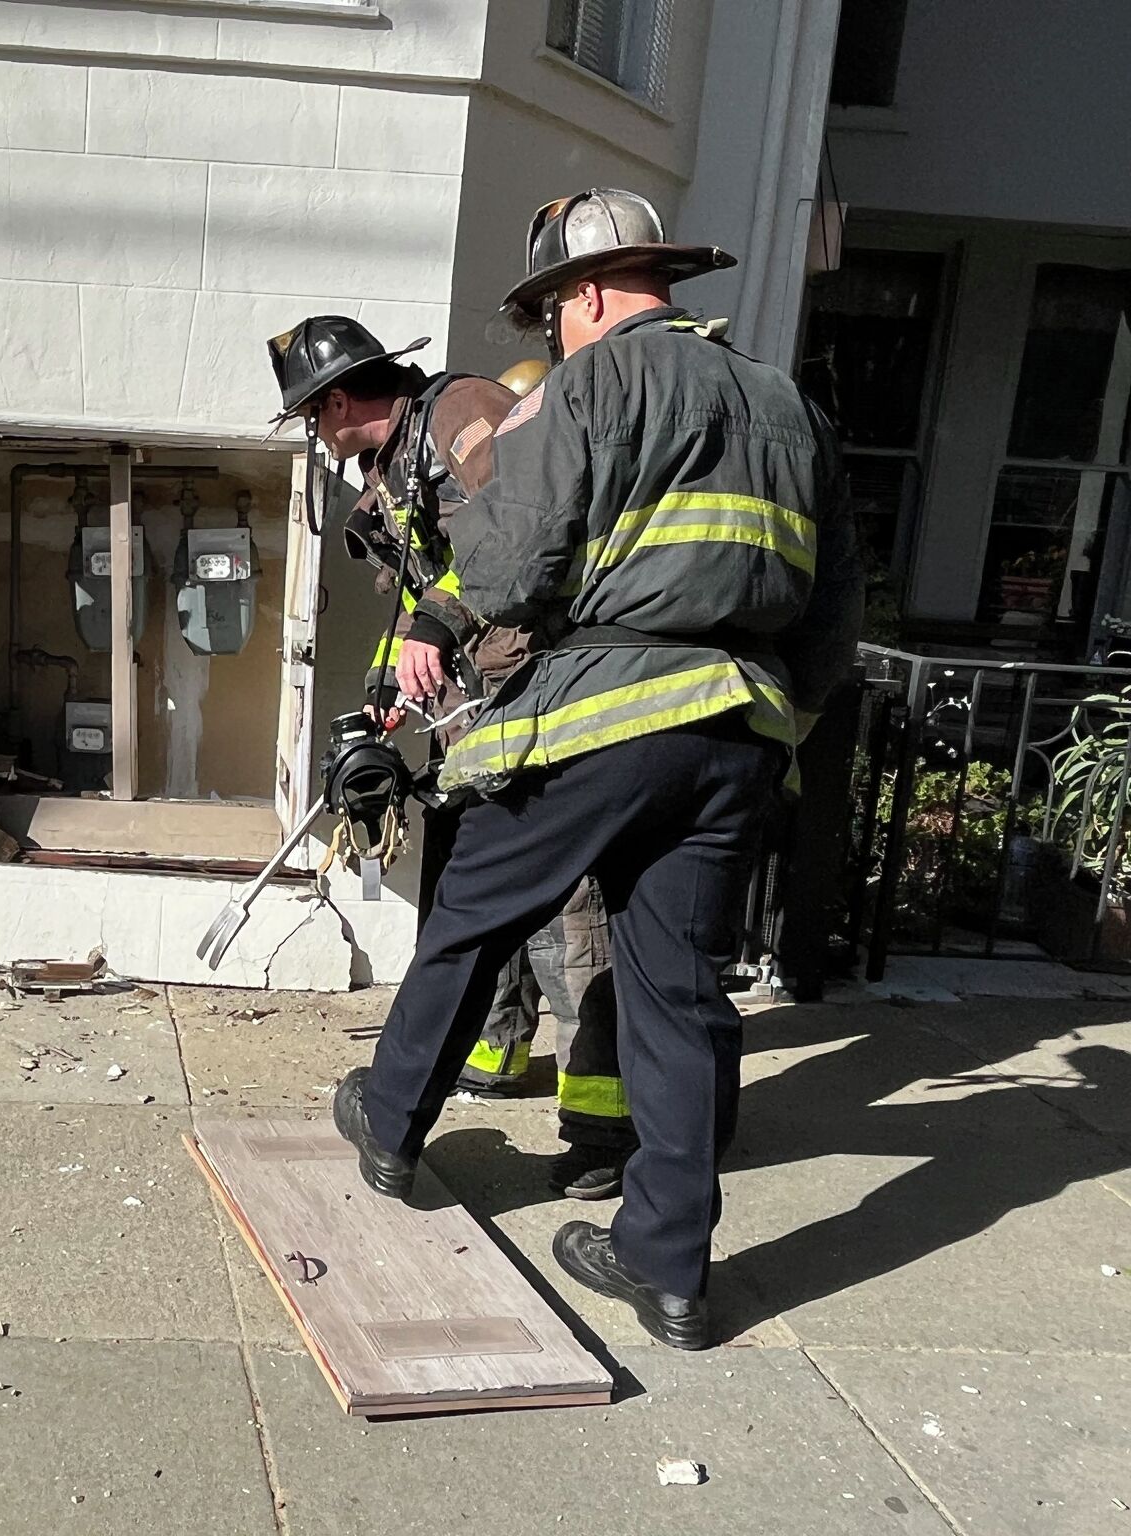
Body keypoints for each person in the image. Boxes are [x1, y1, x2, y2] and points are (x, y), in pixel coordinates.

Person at [329, 188, 863, 1350]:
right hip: (742, 730)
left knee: (473, 912)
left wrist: (436, 619)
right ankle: (665, 1267)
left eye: (548, 313)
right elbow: (830, 620)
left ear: (581, 295)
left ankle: (387, 1120)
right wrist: (777, 723)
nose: (548, 338)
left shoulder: (587, 385)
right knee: (678, 985)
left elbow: (516, 564)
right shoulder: (788, 407)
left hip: (606, 714)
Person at [264, 322, 635, 1199]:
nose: (316, 434)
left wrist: (442, 630)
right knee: (477, 876)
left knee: (568, 901)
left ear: (337, 402)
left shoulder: (464, 413)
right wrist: (390, 681)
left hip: (535, 689)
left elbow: (533, 534)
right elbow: (423, 589)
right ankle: (496, 1047)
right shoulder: (391, 469)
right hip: (471, 706)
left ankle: (602, 1125)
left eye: (311, 417)